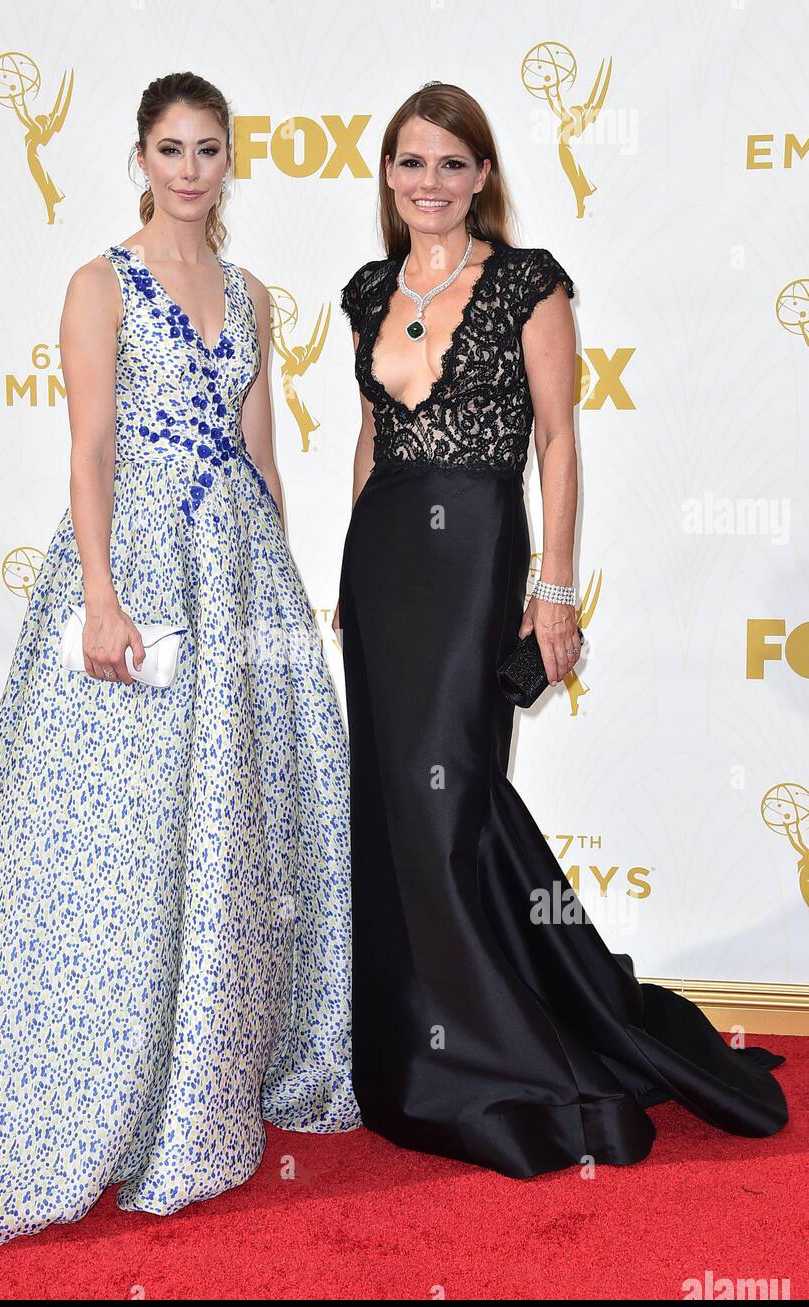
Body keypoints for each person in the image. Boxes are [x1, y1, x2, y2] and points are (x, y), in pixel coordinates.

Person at [0, 71, 359, 1250]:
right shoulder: (97, 284)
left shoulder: (254, 295)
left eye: (209, 148)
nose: (190, 168)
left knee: (221, 837)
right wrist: (101, 596)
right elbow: (88, 448)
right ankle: (64, 1084)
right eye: (170, 147)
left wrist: (282, 607)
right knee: (98, 838)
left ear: (229, 159)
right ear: (140, 156)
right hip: (138, 571)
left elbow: (260, 459)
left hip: (236, 571)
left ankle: (193, 1079)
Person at [333, 81, 787, 1177]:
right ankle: (415, 1044)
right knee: (397, 804)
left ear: (483, 175)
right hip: (384, 558)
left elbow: (558, 445)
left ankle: (508, 1042)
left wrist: (554, 591)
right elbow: (368, 438)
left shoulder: (528, 283)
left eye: (450, 163)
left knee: (453, 795)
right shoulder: (365, 291)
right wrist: (348, 574)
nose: (428, 183)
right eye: (409, 162)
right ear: (387, 176)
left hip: (476, 554)